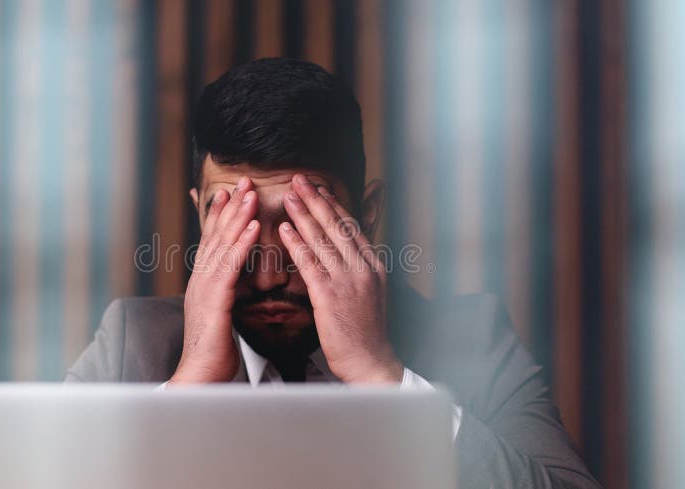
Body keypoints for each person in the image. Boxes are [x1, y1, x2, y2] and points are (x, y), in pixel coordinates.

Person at [66, 58, 600, 489]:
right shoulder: (130, 343)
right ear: (200, 216)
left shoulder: (470, 340)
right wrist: (186, 394)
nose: (270, 276)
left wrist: (380, 376)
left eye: (303, 221)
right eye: (234, 220)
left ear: (366, 215)